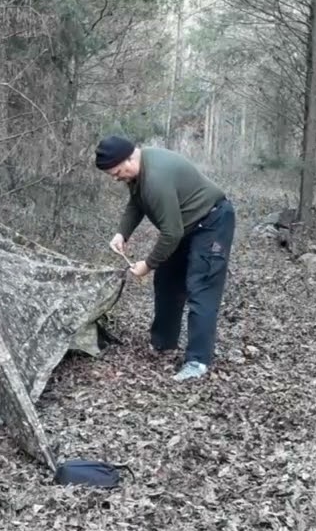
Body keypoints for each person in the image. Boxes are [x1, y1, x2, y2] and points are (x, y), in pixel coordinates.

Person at [94, 135, 236, 382]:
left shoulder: (155, 178)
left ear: (129, 158)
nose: (117, 178)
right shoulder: (139, 169)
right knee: (167, 281)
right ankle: (163, 344)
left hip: (212, 222)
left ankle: (197, 362)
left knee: (201, 288)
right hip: (185, 224)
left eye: (116, 172)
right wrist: (122, 233)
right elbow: (136, 203)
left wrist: (146, 265)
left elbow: (171, 233)